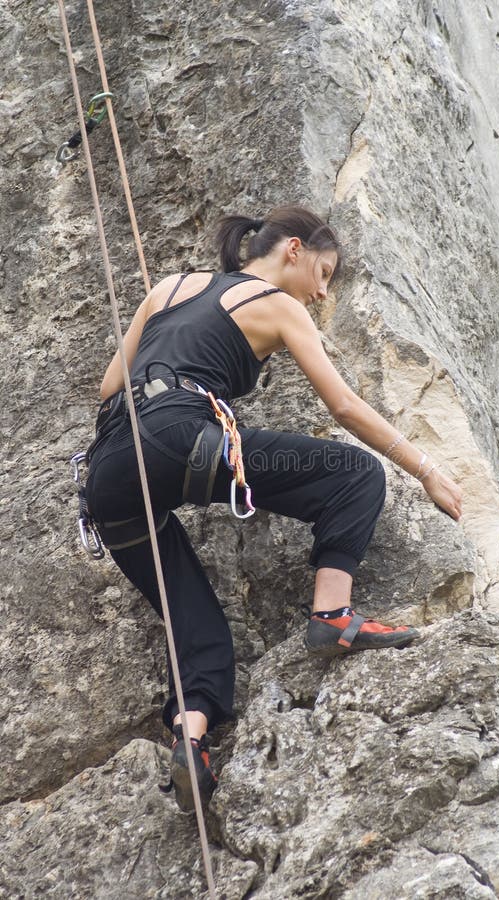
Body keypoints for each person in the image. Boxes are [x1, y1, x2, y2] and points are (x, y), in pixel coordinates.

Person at [85, 205, 462, 812]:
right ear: (293, 249)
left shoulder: (168, 288)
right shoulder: (278, 304)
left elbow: (109, 389)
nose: (321, 292)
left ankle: (190, 739)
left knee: (198, 629)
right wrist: (427, 470)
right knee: (356, 474)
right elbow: (343, 405)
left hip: (108, 476)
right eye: (323, 272)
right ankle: (333, 614)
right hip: (181, 439)